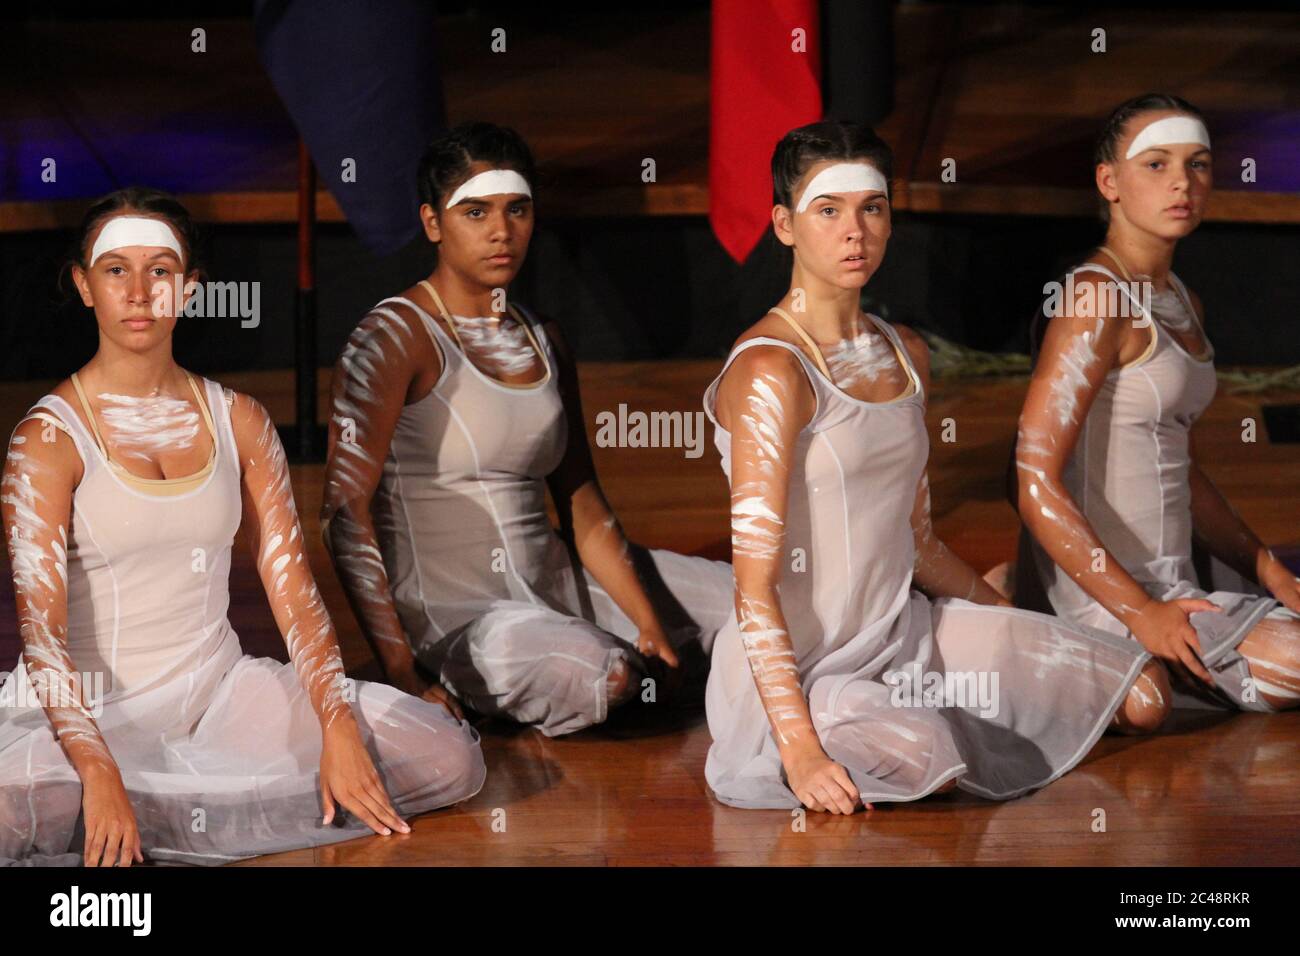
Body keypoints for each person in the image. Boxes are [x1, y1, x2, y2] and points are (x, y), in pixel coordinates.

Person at [0, 188, 484, 866]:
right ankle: (161, 808)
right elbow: (42, 635)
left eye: (160, 270)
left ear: (190, 288)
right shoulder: (48, 440)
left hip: (217, 696)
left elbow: (294, 594)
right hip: (88, 712)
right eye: (115, 270)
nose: (139, 292)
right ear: (84, 285)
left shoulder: (242, 421)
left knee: (446, 756)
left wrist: (337, 723)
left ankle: (167, 816)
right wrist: (98, 769)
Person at [702, 120, 1165, 814]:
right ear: (784, 225)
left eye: (872, 207)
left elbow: (917, 542)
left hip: (904, 636)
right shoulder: (772, 369)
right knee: (930, 758)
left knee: (1144, 695)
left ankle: (922, 703)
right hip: (804, 670)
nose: (854, 231)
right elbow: (753, 584)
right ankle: (863, 723)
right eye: (828, 210)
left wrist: (1015, 624)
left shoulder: (906, 352)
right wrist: (798, 749)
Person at [321, 122, 734, 737]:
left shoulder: (545, 337)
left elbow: (583, 503)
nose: (501, 231)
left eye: (517, 209)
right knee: (601, 674)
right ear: (433, 223)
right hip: (462, 619)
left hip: (558, 583)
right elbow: (343, 513)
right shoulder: (393, 338)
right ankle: (626, 670)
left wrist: (651, 625)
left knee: (757, 606)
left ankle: (653, 662)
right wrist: (402, 672)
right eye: (476, 212)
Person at [1013, 93, 1300, 714]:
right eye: (1156, 164)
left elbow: (1178, 465)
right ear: (1109, 182)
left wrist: (1269, 569)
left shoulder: (1184, 301)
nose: (1182, 183)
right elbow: (1033, 476)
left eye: (1198, 164)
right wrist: (1140, 610)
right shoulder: (1094, 299)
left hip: (1175, 582)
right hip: (1106, 589)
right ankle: (1042, 632)